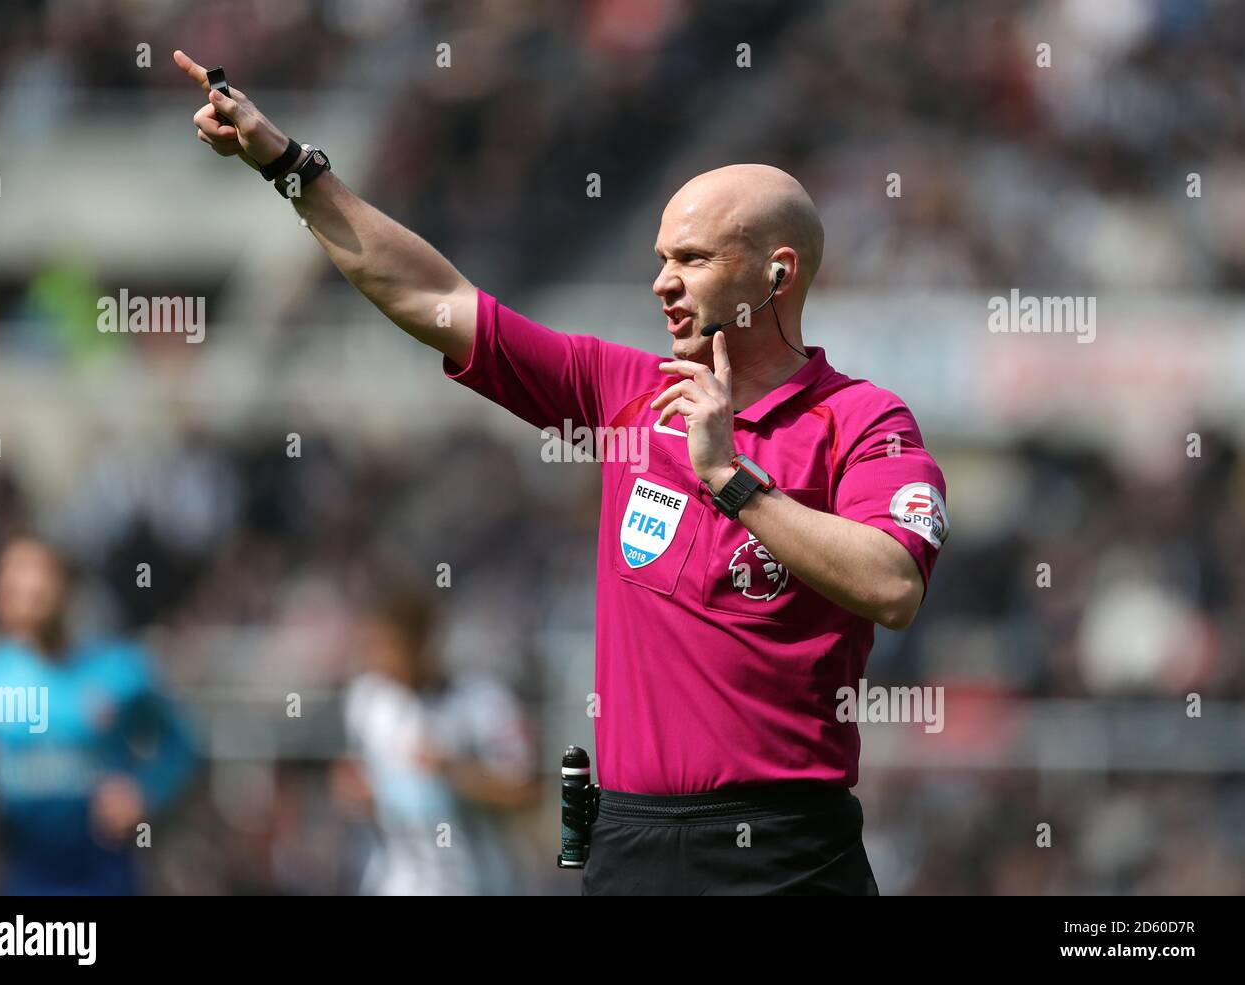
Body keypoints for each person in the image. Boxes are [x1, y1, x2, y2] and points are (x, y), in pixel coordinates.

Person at [174, 50, 949, 895]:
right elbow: (433, 299)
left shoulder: (863, 421)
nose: (661, 282)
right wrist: (288, 166)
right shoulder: (626, 395)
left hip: (786, 852)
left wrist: (732, 478)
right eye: (660, 256)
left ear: (777, 273)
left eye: (689, 259)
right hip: (629, 844)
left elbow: (893, 584)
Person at [0, 537, 195, 894]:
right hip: (21, 869)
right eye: (14, 578)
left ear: (66, 584)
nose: (28, 588)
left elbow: (180, 745)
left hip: (106, 871)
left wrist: (144, 791)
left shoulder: (120, 670)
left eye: (38, 573)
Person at [336, 587, 535, 895]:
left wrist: (454, 773)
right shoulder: (368, 703)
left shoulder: (482, 701)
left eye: (390, 647)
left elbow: (526, 792)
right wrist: (359, 792)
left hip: (481, 884)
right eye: (373, 647)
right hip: (401, 885)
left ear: (424, 641)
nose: (380, 659)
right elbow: (359, 786)